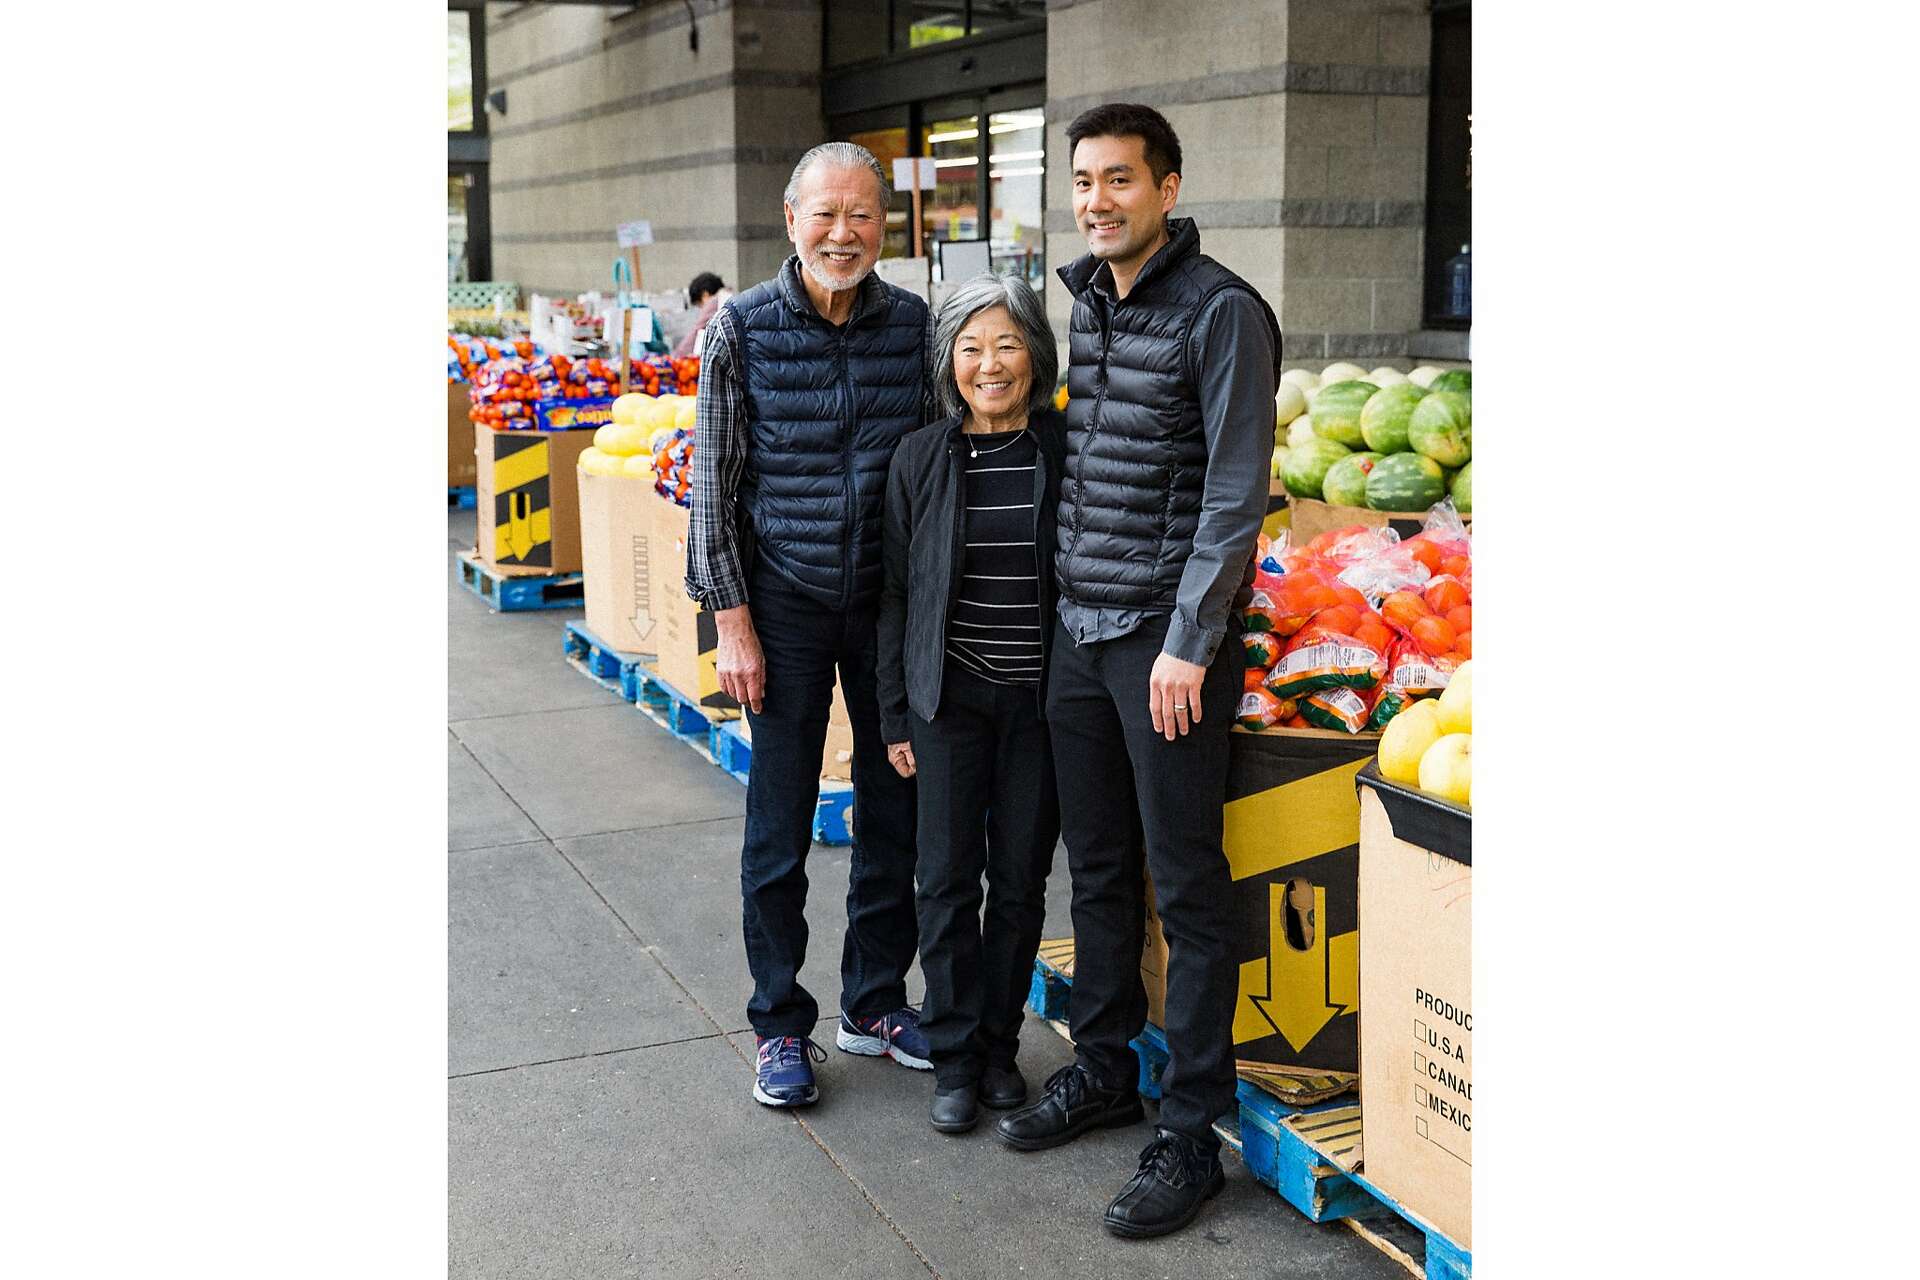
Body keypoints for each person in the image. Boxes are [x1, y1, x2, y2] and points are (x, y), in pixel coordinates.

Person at [991, 103, 1280, 1239]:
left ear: (1168, 187)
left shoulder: (1221, 312)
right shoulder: (1094, 302)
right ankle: (1106, 1064)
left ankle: (1191, 1127)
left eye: (1119, 178)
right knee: (1099, 867)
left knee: (1188, 883)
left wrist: (1189, 641)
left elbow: (1234, 492)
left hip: (1164, 649)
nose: (1097, 198)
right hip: (1081, 630)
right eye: (1083, 181)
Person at [686, 141, 940, 1109]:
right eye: (825, 215)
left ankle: (873, 999)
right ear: (791, 221)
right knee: (779, 818)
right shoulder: (740, 329)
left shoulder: (912, 325)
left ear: (886, 227)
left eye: (863, 216)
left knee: (895, 808)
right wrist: (732, 620)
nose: (844, 233)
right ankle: (778, 1020)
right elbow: (714, 488)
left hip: (883, 605)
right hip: (781, 598)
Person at [875, 273, 1066, 1136]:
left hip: (1040, 704)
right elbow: (893, 597)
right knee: (946, 881)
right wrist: (893, 715)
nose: (989, 365)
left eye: (1007, 344)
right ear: (948, 361)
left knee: (1021, 881)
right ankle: (952, 1054)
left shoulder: (1065, 451)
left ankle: (997, 1047)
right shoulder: (920, 457)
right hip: (945, 702)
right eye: (970, 346)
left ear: (1035, 353)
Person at [672, 271, 728, 358]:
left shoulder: (713, 303)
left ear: (705, 295)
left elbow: (696, 332)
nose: (702, 309)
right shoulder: (729, 298)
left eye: (700, 305)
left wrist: (676, 357)